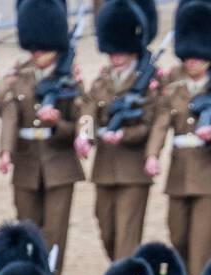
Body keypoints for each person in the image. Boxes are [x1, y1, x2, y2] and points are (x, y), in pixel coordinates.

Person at [145, 2, 211, 275]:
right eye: (189, 55)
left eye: (199, 55)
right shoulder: (173, 82)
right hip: (180, 170)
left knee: (200, 239)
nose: (192, 60)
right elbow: (162, 121)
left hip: (208, 172)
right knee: (178, 234)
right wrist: (152, 154)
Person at [0, 0, 84, 275]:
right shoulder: (20, 74)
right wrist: (6, 151)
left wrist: (58, 124)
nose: (37, 52)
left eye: (43, 47)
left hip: (59, 162)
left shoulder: (70, 76)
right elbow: (10, 115)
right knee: (26, 228)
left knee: (55, 230)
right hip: (26, 161)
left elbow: (84, 115)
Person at [77, 0, 158, 261]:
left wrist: (125, 135)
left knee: (126, 235)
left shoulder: (147, 82)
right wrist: (85, 134)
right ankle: (126, 272)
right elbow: (88, 109)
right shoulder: (103, 80)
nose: (116, 56)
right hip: (104, 168)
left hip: (133, 169)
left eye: (121, 51)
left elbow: (148, 123)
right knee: (106, 229)